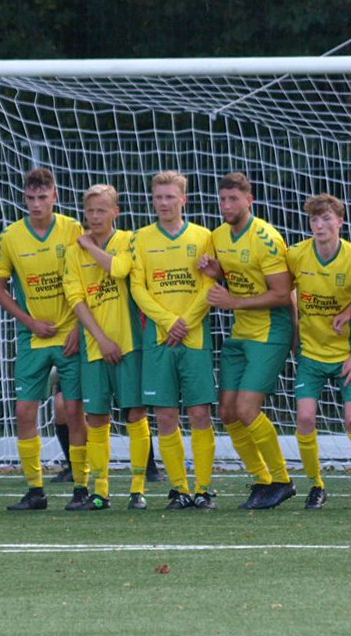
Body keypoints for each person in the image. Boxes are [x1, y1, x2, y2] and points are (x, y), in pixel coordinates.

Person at [0, 168, 89, 511]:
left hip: (70, 335)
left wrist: (80, 327)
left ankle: (82, 488)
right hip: (33, 338)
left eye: (42, 197)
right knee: (24, 412)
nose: (36, 204)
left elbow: (90, 278)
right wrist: (29, 321)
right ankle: (35, 490)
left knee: (74, 411)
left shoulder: (74, 229)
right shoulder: (10, 237)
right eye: (30, 198)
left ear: (55, 196)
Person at [199, 173, 295, 510]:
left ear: (249, 200)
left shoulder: (267, 238)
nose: (226, 205)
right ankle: (262, 480)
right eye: (222, 199)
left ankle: (282, 480)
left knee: (246, 408)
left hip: (270, 332)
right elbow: (231, 273)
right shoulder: (218, 236)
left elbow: (283, 294)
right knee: (227, 412)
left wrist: (234, 302)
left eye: (233, 199)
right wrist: (215, 272)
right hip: (241, 330)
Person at [128, 170, 218, 509]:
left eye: (170, 197)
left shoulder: (203, 236)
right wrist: (168, 322)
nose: (163, 203)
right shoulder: (140, 239)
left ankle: (205, 488)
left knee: (199, 413)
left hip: (194, 338)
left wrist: (186, 321)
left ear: (184, 199)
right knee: (165, 415)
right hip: (159, 339)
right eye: (158, 197)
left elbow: (210, 283)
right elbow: (138, 287)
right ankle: (179, 489)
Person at [286, 194, 351, 509]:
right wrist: (295, 327)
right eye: (314, 219)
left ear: (341, 222)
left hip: (346, 355)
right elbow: (282, 286)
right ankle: (316, 486)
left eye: (326, 218)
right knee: (305, 418)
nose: (319, 224)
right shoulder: (296, 255)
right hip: (311, 354)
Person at [63, 184, 150, 510]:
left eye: (102, 210)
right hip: (96, 346)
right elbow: (76, 300)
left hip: (130, 343)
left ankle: (138, 489)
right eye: (90, 211)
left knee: (135, 413)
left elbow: (119, 269)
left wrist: (90, 246)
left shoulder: (130, 240)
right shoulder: (73, 253)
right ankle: (100, 491)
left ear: (116, 212)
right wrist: (100, 338)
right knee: (96, 417)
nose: (95, 216)